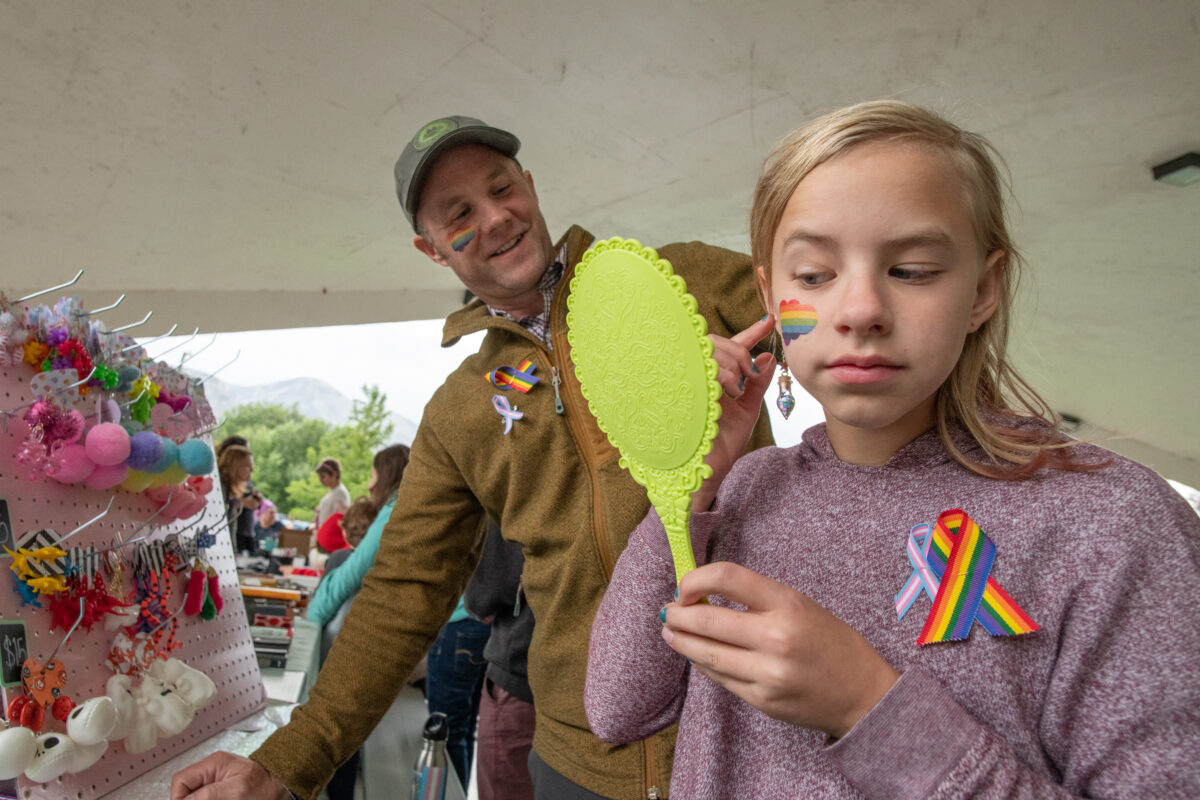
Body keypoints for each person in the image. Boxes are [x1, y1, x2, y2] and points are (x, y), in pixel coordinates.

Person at [583, 100, 1200, 798]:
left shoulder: (1112, 523)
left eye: (911, 269)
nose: (860, 311)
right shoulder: (748, 488)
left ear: (983, 290)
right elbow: (618, 709)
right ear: (771, 297)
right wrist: (690, 484)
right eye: (813, 275)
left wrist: (866, 707)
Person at [170, 115, 773, 800]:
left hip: (757, 735)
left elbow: (835, 316)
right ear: (432, 249)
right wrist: (286, 764)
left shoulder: (680, 278)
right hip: (583, 763)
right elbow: (403, 590)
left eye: (502, 188)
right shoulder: (460, 410)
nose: (495, 217)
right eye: (459, 214)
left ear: (531, 186)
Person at [465, 520, 535, 800]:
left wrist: (478, 598)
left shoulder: (528, 493)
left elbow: (487, 590)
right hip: (592, 683)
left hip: (521, 673)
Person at [216, 443, 260, 554]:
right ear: (235, 466)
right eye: (248, 466)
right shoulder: (220, 489)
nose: (252, 470)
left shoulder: (230, 492)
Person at [313, 456, 350, 530]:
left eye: (323, 476)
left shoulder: (340, 493)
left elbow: (340, 520)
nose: (320, 480)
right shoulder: (333, 492)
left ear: (334, 474)